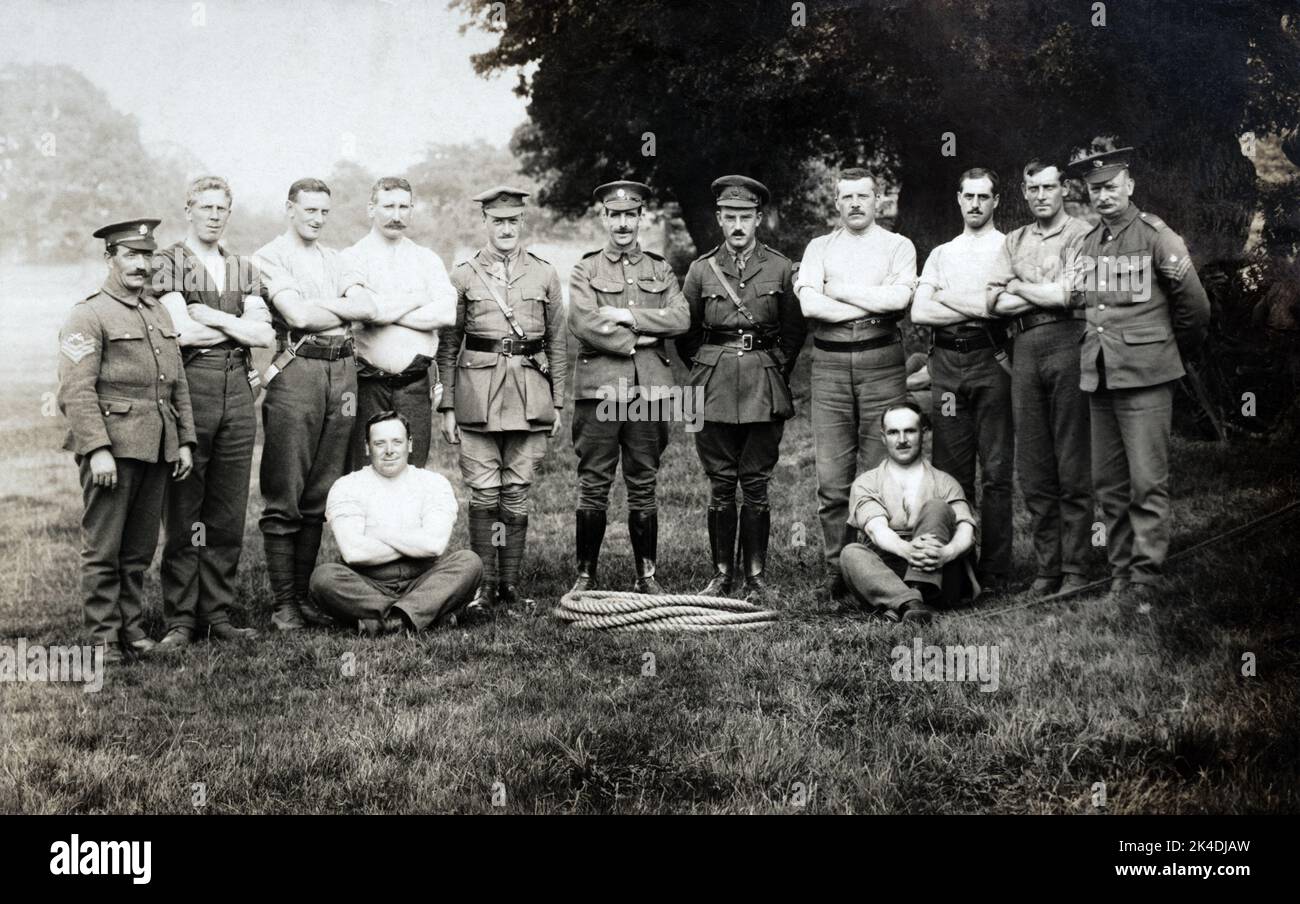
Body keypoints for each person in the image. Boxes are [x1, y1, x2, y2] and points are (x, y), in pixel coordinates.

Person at [1064, 146, 1210, 607]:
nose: (1103, 196)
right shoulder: (1087, 244)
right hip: (1100, 376)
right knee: (1109, 485)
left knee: (1147, 480)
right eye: (1094, 190)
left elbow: (1195, 308)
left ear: (1130, 185)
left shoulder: (1155, 236)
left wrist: (1163, 352)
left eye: (1110, 187)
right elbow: (1084, 305)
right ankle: (1120, 573)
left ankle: (1146, 576)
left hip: (1146, 378)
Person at [56, 219, 196, 664]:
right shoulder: (89, 313)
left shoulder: (158, 311)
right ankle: (102, 637)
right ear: (110, 258)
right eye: (130, 255)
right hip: (113, 450)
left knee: (137, 549)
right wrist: (97, 449)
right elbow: (76, 391)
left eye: (146, 255)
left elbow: (177, 385)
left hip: (157, 445)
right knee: (104, 547)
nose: (140, 264)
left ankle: (131, 630)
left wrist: (185, 441)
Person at [253, 178, 388, 632]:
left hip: (343, 369)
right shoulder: (269, 256)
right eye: (308, 209)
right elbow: (297, 316)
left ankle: (305, 596)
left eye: (324, 211)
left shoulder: (337, 258)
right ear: (289, 209)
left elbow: (367, 306)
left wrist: (330, 307)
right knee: (286, 485)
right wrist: (341, 308)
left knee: (322, 489)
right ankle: (283, 602)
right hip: (298, 369)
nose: (316, 218)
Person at [153, 177, 272, 648]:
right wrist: (240, 327)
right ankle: (181, 618)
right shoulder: (169, 261)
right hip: (191, 386)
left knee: (226, 508)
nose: (214, 215)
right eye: (205, 206)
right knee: (185, 506)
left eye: (222, 207)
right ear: (188, 209)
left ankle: (216, 614)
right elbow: (180, 334)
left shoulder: (243, 267)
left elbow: (264, 337)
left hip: (239, 391)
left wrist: (218, 319)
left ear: (229, 212)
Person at [676, 175, 806, 602]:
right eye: (729, 217)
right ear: (719, 219)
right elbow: (686, 333)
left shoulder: (780, 268)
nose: (737, 225)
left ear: (758, 219)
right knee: (719, 483)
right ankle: (721, 575)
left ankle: (755, 577)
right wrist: (707, 367)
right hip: (711, 386)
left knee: (755, 482)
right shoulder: (700, 270)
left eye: (745, 217)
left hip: (763, 384)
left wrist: (772, 368)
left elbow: (792, 331)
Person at [438, 186, 567, 614]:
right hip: (476, 396)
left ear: (521, 224)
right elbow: (448, 343)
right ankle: (484, 586)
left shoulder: (545, 274)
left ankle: (509, 585)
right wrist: (449, 406)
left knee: (516, 492)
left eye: (513, 222)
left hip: (531, 397)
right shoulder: (464, 275)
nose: (506, 229)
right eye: (498, 221)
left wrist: (560, 404)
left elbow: (558, 343)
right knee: (483, 494)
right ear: (486, 224)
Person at [795, 167, 915, 600]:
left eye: (864, 196)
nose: (856, 204)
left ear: (878, 199)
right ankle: (837, 568)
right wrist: (868, 300)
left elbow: (899, 300)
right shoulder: (819, 247)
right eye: (847, 197)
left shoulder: (898, 246)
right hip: (829, 364)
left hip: (882, 360)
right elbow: (810, 304)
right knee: (832, 476)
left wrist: (839, 290)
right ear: (836, 201)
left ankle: (878, 564)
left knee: (881, 469)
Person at [567, 180, 690, 594]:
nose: (622, 223)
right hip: (600, 388)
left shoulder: (660, 268)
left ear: (641, 218)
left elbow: (681, 318)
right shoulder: (586, 269)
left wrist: (624, 315)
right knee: (594, 481)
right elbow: (584, 324)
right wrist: (643, 338)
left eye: (629, 215)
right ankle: (585, 576)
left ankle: (647, 576)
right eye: (614, 215)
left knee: (643, 480)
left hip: (649, 390)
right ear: (604, 218)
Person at [987, 160, 1095, 597]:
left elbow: (1070, 295)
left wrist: (1020, 288)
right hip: (1026, 347)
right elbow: (992, 300)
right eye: (1032, 188)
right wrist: (1029, 293)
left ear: (1063, 190)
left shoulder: (1083, 234)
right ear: (1025, 192)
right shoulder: (1014, 239)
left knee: (1072, 459)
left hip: (1071, 341)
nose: (1041, 195)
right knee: (1033, 464)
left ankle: (1076, 569)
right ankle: (1046, 569)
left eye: (1049, 187)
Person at [911, 167, 1013, 594]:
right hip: (948, 364)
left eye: (983, 197)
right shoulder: (941, 253)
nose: (975, 204)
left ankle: (995, 570)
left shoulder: (1009, 247)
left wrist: (948, 299)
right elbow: (920, 312)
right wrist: (975, 304)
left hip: (992, 359)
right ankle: (957, 565)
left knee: (996, 470)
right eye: (968, 196)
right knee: (952, 472)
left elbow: (1003, 309)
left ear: (996, 202)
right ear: (958, 199)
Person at [309, 411, 482, 634]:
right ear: (367, 447)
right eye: (380, 443)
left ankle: (385, 621)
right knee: (323, 579)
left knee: (469, 563)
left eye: (397, 442)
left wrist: (378, 532)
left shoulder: (433, 484)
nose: (389, 451)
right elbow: (354, 552)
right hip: (367, 582)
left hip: (423, 579)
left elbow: (434, 546)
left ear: (409, 444)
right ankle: (422, 615)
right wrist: (415, 542)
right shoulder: (347, 486)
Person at [342, 176, 458, 471]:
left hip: (414, 384)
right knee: (364, 468)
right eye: (388, 206)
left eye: (403, 207)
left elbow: (446, 314)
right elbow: (366, 312)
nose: (396, 215)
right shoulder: (352, 257)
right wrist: (418, 298)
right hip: (367, 383)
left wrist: (385, 308)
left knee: (412, 470)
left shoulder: (426, 259)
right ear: (371, 208)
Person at [841, 402, 976, 623]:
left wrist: (947, 552)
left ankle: (906, 600)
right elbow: (877, 530)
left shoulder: (944, 481)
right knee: (850, 553)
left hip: (938, 571)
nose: (902, 439)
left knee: (937, 507)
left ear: (923, 434)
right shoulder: (866, 482)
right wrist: (908, 551)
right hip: (888, 570)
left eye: (909, 431)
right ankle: (912, 602)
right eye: (894, 432)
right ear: (883, 437)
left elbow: (966, 528)